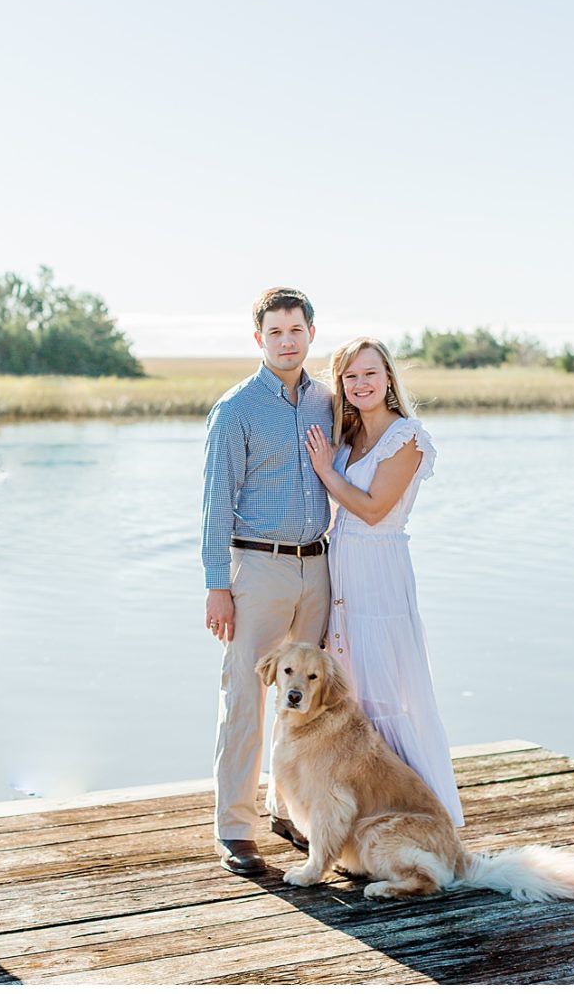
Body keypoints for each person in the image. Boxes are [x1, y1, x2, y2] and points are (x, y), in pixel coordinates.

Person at [200, 287, 333, 877]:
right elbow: (216, 502)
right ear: (259, 338)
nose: (286, 341)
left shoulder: (327, 403)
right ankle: (235, 827)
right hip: (256, 568)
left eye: (295, 330)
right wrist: (217, 584)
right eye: (275, 332)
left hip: (317, 566)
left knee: (305, 699)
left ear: (310, 334)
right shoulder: (236, 409)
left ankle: (289, 810)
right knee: (245, 698)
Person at [304, 338, 463, 825]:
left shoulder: (406, 438)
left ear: (388, 376)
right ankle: (365, 810)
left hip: (380, 572)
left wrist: (325, 471)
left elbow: (373, 510)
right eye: (350, 376)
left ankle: (418, 812)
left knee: (387, 690)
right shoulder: (350, 438)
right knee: (352, 689)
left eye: (369, 373)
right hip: (343, 570)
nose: (360, 384)